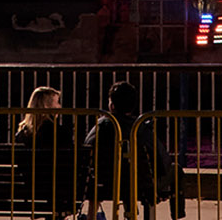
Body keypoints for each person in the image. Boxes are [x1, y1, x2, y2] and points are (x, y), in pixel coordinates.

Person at [84, 82, 180, 220]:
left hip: (102, 184)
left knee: (126, 173)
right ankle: (176, 215)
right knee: (175, 170)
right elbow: (162, 159)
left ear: (111, 105)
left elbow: (87, 152)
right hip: (140, 185)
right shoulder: (140, 128)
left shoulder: (101, 127)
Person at [15, 85, 79, 218]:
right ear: (46, 106)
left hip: (29, 190)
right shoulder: (60, 133)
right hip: (57, 192)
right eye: (57, 102)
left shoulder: (22, 135)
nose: (60, 107)